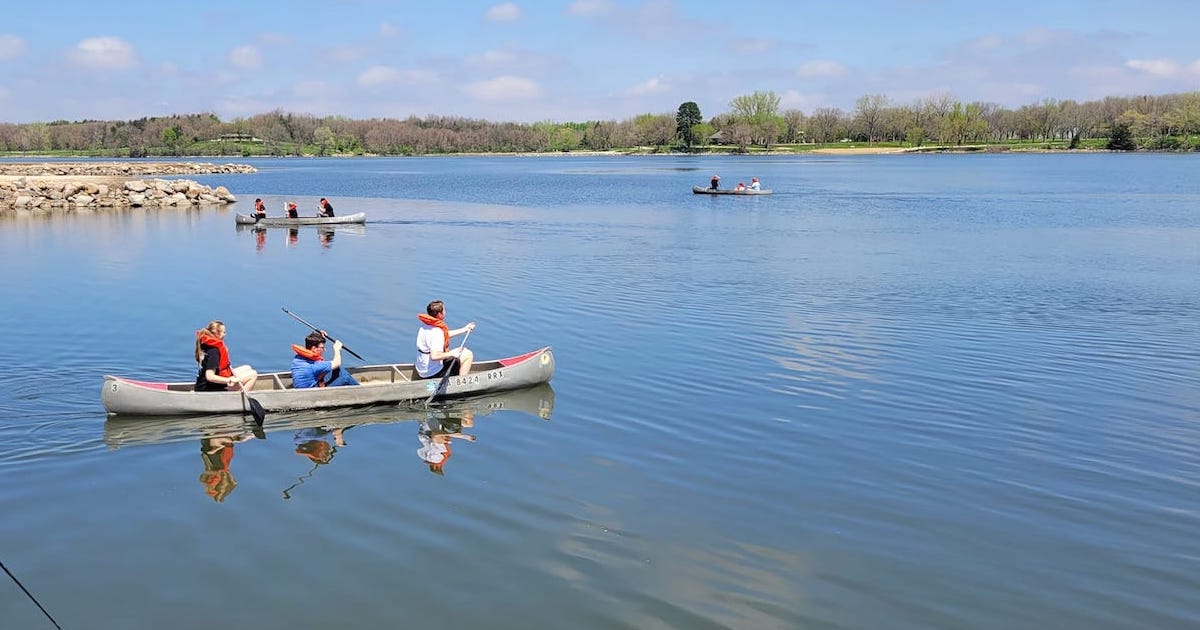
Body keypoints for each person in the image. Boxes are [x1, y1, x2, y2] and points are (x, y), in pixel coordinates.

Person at [415, 300, 476, 379]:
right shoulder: (437, 331)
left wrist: (464, 329)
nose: (445, 312)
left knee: (462, 350)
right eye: (444, 310)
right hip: (433, 373)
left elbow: (443, 336)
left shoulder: (425, 326)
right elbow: (434, 356)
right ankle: (461, 383)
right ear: (439, 314)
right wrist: (452, 353)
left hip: (422, 370)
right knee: (468, 354)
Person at [194, 320, 258, 392]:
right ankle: (238, 399)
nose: (225, 334)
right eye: (224, 332)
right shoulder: (214, 352)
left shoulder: (207, 345)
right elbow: (209, 376)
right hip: (209, 388)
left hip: (206, 384)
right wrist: (229, 380)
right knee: (253, 374)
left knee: (247, 367)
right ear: (217, 333)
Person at [290, 331, 360, 388]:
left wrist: (320, 336)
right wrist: (337, 349)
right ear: (314, 348)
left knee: (338, 369)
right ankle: (361, 391)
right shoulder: (314, 366)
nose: (324, 350)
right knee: (345, 377)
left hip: (306, 384)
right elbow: (337, 363)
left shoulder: (298, 358)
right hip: (311, 392)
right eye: (322, 347)